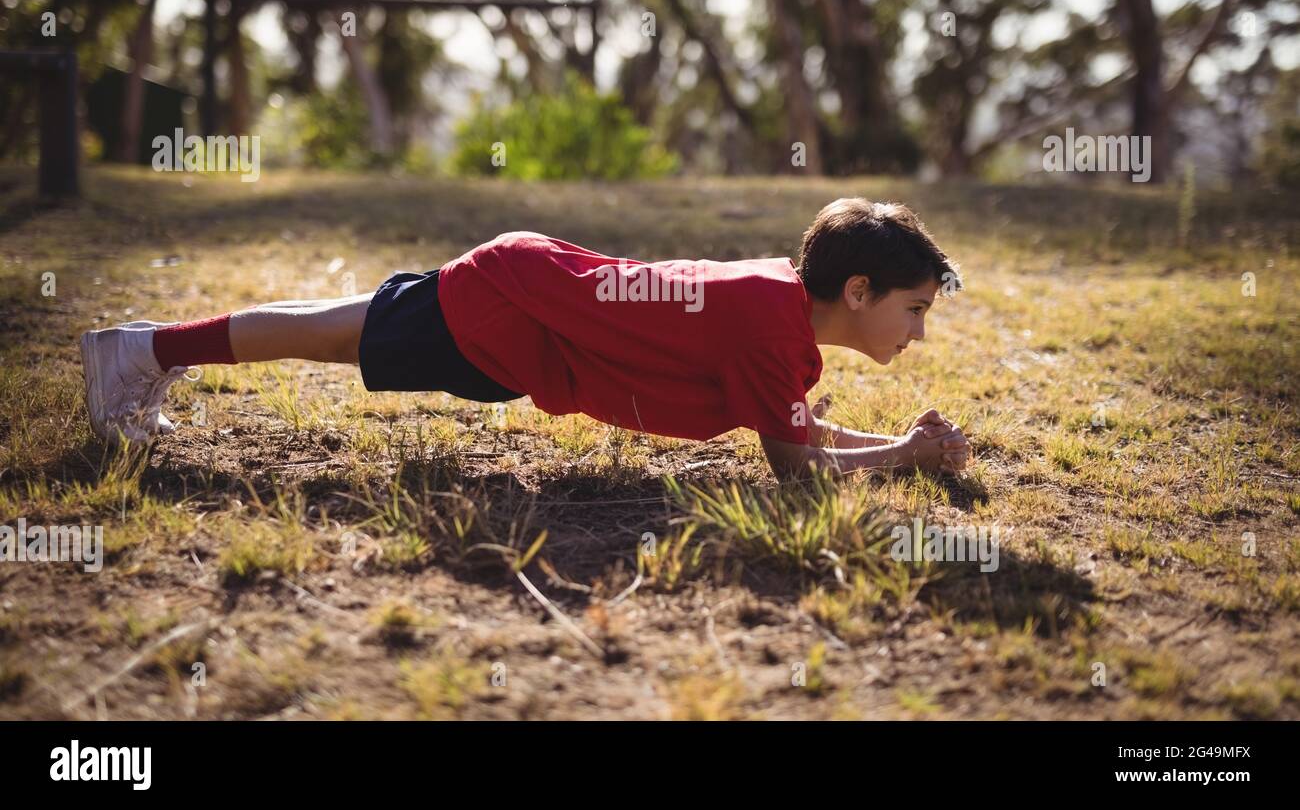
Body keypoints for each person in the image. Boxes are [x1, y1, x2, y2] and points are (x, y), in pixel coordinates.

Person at [80, 197, 971, 480]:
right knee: (324, 335)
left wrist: (901, 446)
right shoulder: (776, 334)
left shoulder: (778, 309)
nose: (917, 334)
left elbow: (793, 427)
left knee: (331, 329)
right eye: (915, 309)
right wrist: (906, 454)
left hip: (522, 296)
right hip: (512, 317)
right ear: (857, 291)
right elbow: (799, 466)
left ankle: (142, 349)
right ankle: (140, 352)